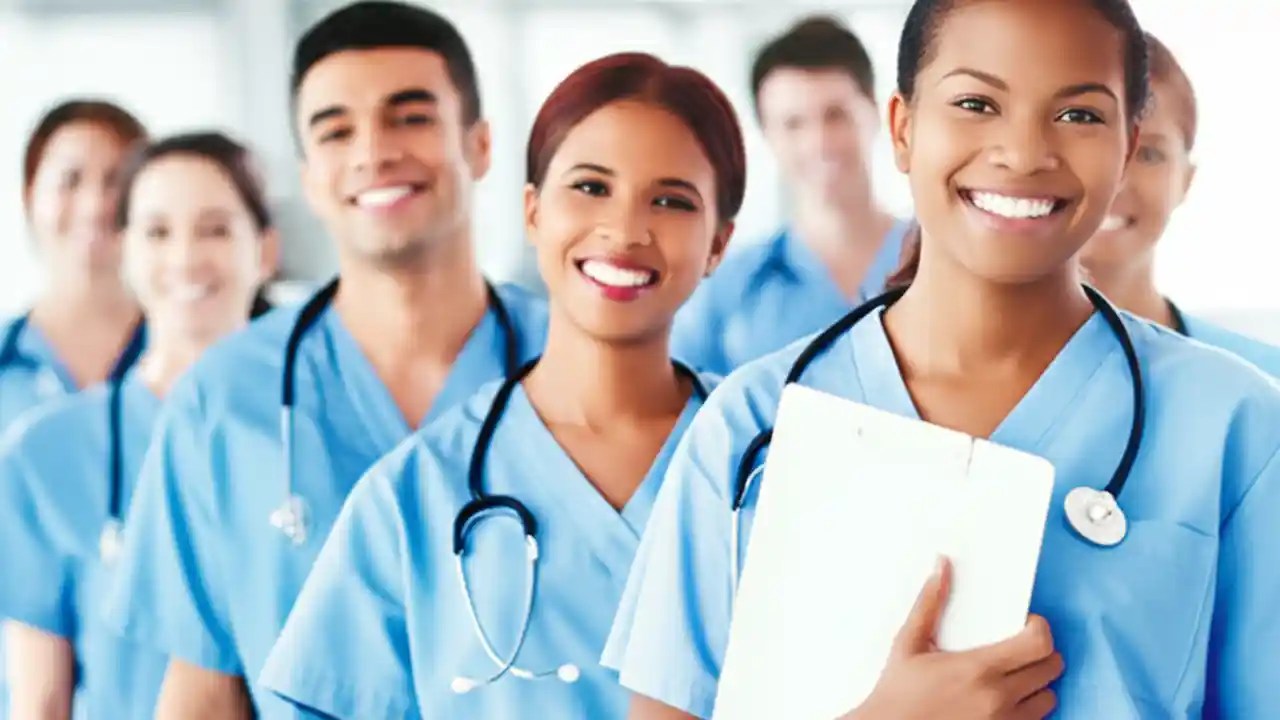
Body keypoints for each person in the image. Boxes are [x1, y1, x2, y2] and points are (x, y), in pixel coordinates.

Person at [606, 1, 1280, 718]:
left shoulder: (1236, 427)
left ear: (1128, 146)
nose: (1024, 153)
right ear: (902, 129)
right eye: (976, 104)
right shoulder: (746, 427)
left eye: (1079, 115)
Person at [256, 51, 741, 720]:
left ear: (719, 243)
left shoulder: (771, 463)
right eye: (591, 187)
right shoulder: (416, 494)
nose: (626, 230)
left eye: (671, 201)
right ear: (533, 213)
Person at [101, 3, 548, 717]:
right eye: (336, 131)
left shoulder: (576, 365)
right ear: (310, 176)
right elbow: (204, 691)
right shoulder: (224, 399)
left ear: (481, 145)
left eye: (411, 117)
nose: (374, 152)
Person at [0, 131, 278, 720]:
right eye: (156, 232)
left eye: (215, 229)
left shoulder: (315, 433)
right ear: (125, 250)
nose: (185, 257)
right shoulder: (47, 453)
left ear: (265, 249)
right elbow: (40, 703)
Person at [0, 97, 148, 720]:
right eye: (69, 180)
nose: (94, 204)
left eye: (117, 180)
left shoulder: (188, 373)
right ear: (29, 196)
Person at [670, 17, 912, 375]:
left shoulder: (941, 259)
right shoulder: (728, 290)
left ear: (878, 114)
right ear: (767, 136)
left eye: (836, 115)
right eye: (793, 124)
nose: (819, 142)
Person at [1079, 33, 1280, 375]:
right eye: (1090, 144)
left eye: (1148, 154)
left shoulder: (1263, 382)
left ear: (1186, 180)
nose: (1117, 181)